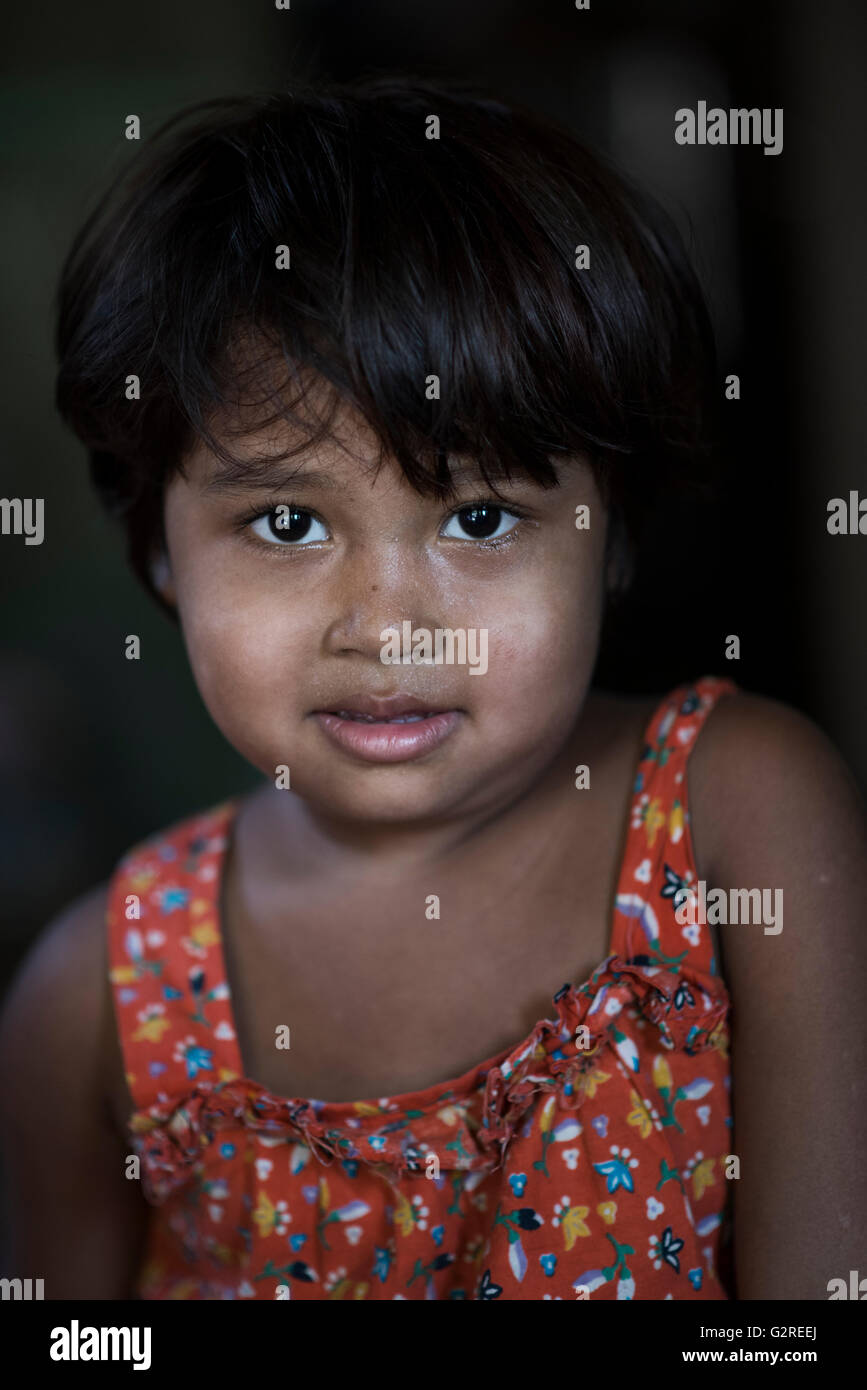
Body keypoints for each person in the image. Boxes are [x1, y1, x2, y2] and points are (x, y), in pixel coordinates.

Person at [1, 75, 864, 1301]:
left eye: (480, 515)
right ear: (156, 546)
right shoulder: (93, 1000)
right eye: (289, 521)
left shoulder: (741, 821)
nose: (388, 623)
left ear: (611, 536)